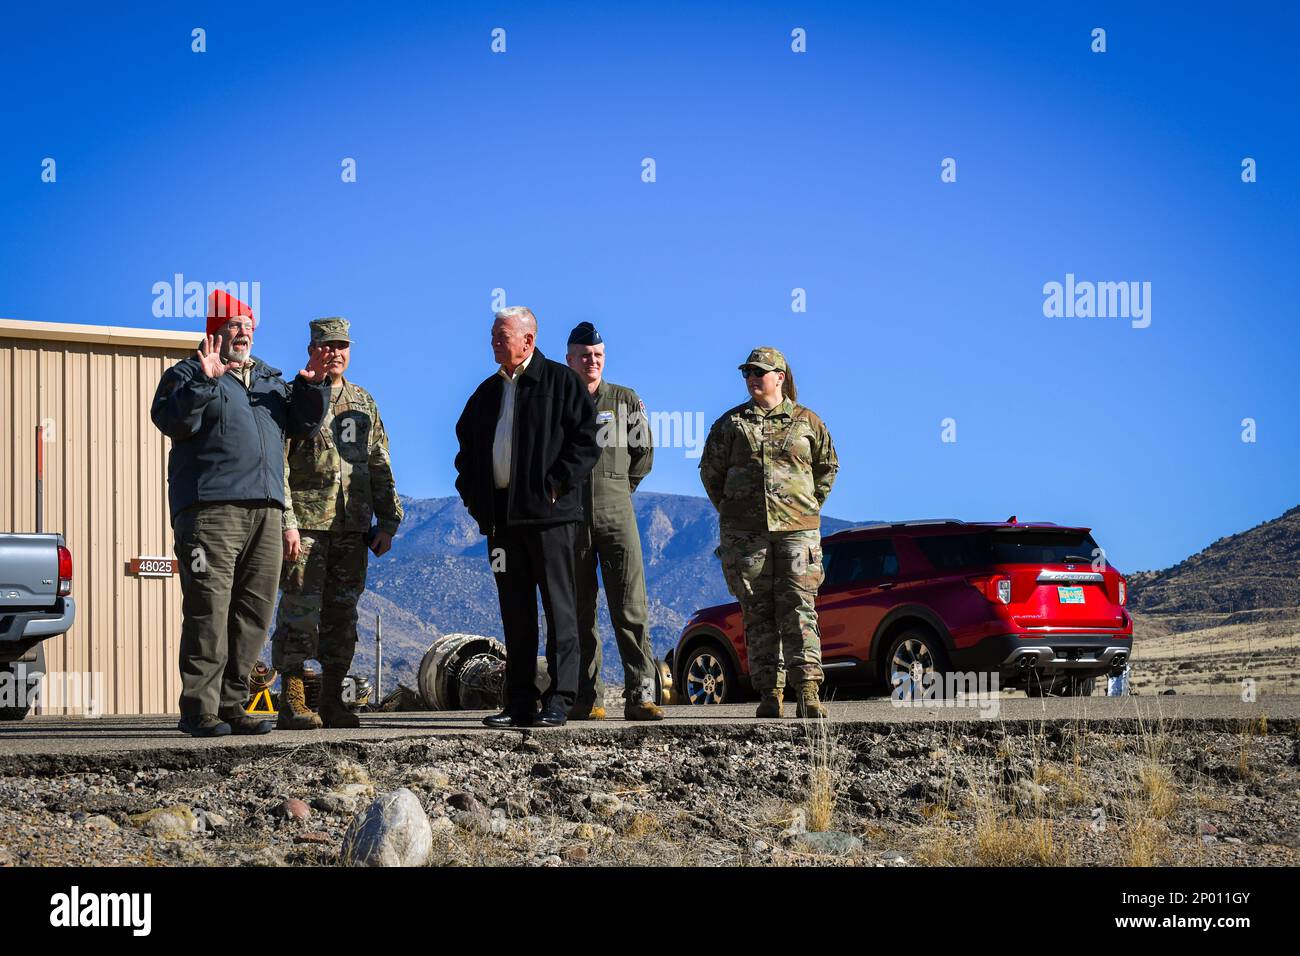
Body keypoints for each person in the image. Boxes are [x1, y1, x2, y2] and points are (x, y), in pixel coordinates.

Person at [151, 290, 328, 737]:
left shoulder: (270, 380)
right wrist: (205, 381)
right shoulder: (187, 373)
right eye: (234, 326)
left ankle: (233, 704)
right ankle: (199, 710)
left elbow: (303, 427)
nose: (244, 333)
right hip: (211, 511)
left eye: (249, 327)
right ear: (215, 332)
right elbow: (172, 421)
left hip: (267, 510)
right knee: (209, 608)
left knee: (254, 611)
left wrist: (312, 388)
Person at [454, 307, 599, 728]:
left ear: (528, 341)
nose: (495, 343)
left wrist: (554, 485)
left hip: (550, 519)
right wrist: (477, 503)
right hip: (502, 523)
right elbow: (464, 456)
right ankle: (518, 701)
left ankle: (560, 699)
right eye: (493, 336)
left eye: (503, 336)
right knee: (515, 613)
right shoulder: (485, 394)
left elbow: (586, 443)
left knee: (560, 609)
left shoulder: (561, 383)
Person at [271, 317, 403, 730]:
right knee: (298, 611)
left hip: (352, 526)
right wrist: (287, 521)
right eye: (327, 346)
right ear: (312, 349)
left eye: (342, 346)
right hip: (307, 526)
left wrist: (389, 520)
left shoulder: (363, 402)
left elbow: (379, 460)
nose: (335, 353)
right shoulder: (295, 398)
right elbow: (280, 466)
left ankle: (331, 700)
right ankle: (292, 700)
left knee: (343, 616)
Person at [698, 347, 838, 719]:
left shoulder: (807, 422)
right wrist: (736, 512)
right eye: (748, 372)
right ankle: (769, 694)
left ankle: (808, 692)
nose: (753, 378)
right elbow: (711, 474)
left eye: (760, 371)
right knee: (757, 613)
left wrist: (804, 505)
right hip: (747, 536)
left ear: (780, 376)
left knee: (799, 608)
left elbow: (827, 468)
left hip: (797, 534)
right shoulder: (730, 424)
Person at [564, 322, 663, 721]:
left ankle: (640, 696)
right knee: (578, 609)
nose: (592, 361)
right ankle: (588, 699)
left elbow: (645, 453)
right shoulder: (557, 399)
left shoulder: (624, 399)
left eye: (598, 356)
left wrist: (620, 489)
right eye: (585, 355)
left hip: (617, 514)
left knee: (630, 606)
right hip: (570, 518)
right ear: (570, 358)